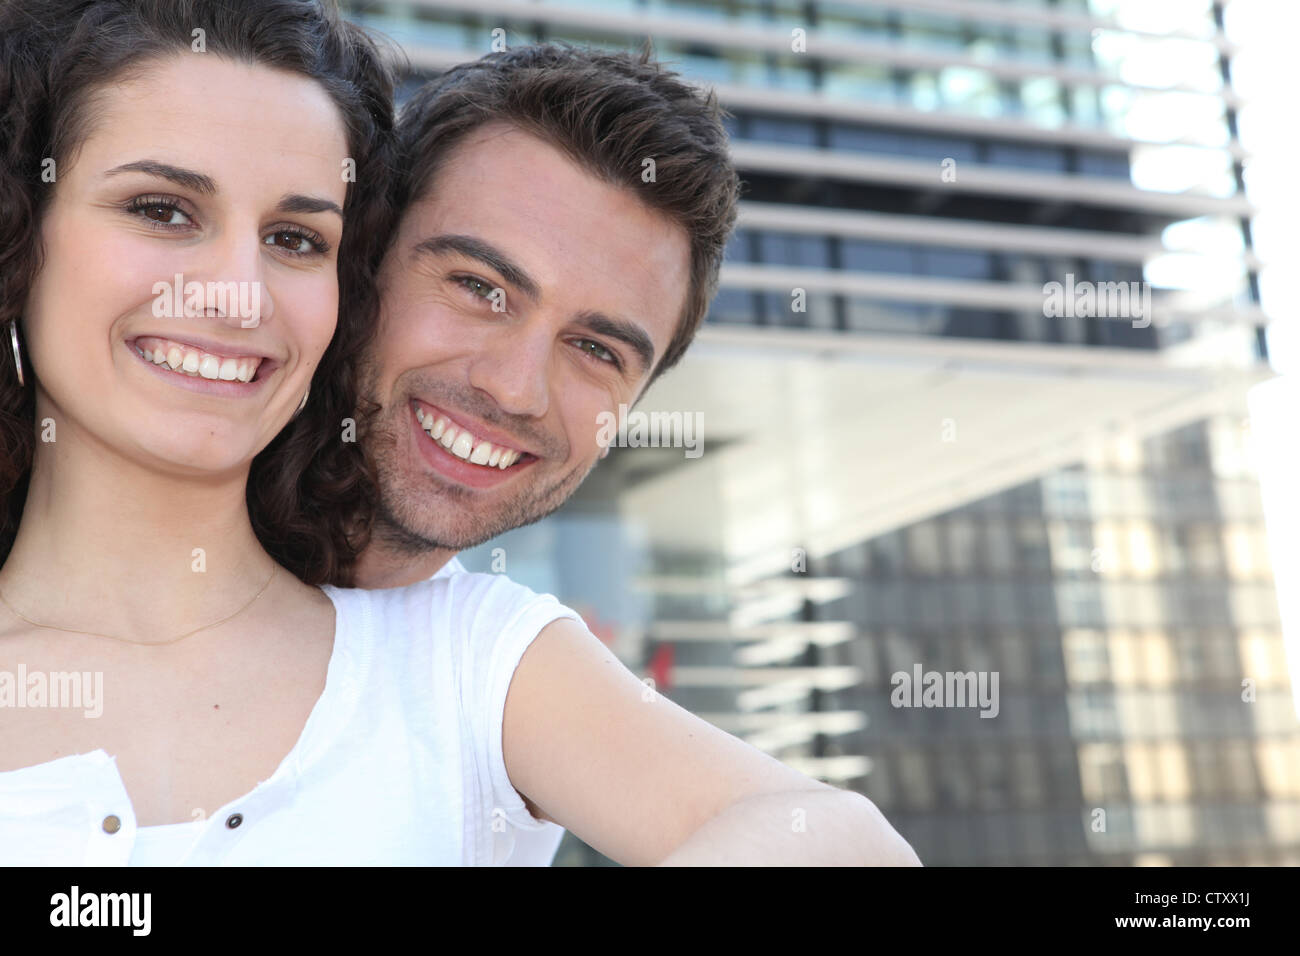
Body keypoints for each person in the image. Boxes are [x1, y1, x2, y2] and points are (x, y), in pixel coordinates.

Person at [347, 44, 922, 866]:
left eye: (596, 349)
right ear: (363, 257)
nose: (517, 390)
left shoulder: (485, 661)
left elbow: (851, 847)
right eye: (480, 287)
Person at [0, 0, 408, 864]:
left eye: (296, 238)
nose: (235, 296)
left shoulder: (460, 663)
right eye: (161, 210)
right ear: (19, 239)